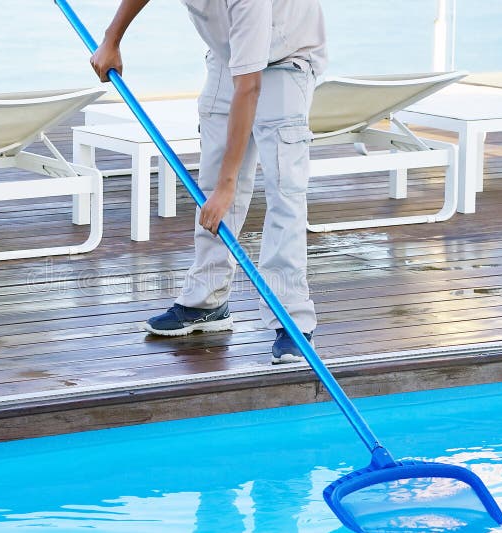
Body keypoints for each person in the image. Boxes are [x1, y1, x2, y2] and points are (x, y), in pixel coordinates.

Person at [90, 0, 327, 364]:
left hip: (286, 57)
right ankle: (207, 301)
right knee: (211, 181)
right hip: (229, 53)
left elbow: (248, 88)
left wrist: (228, 186)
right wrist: (112, 39)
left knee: (284, 190)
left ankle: (292, 319)